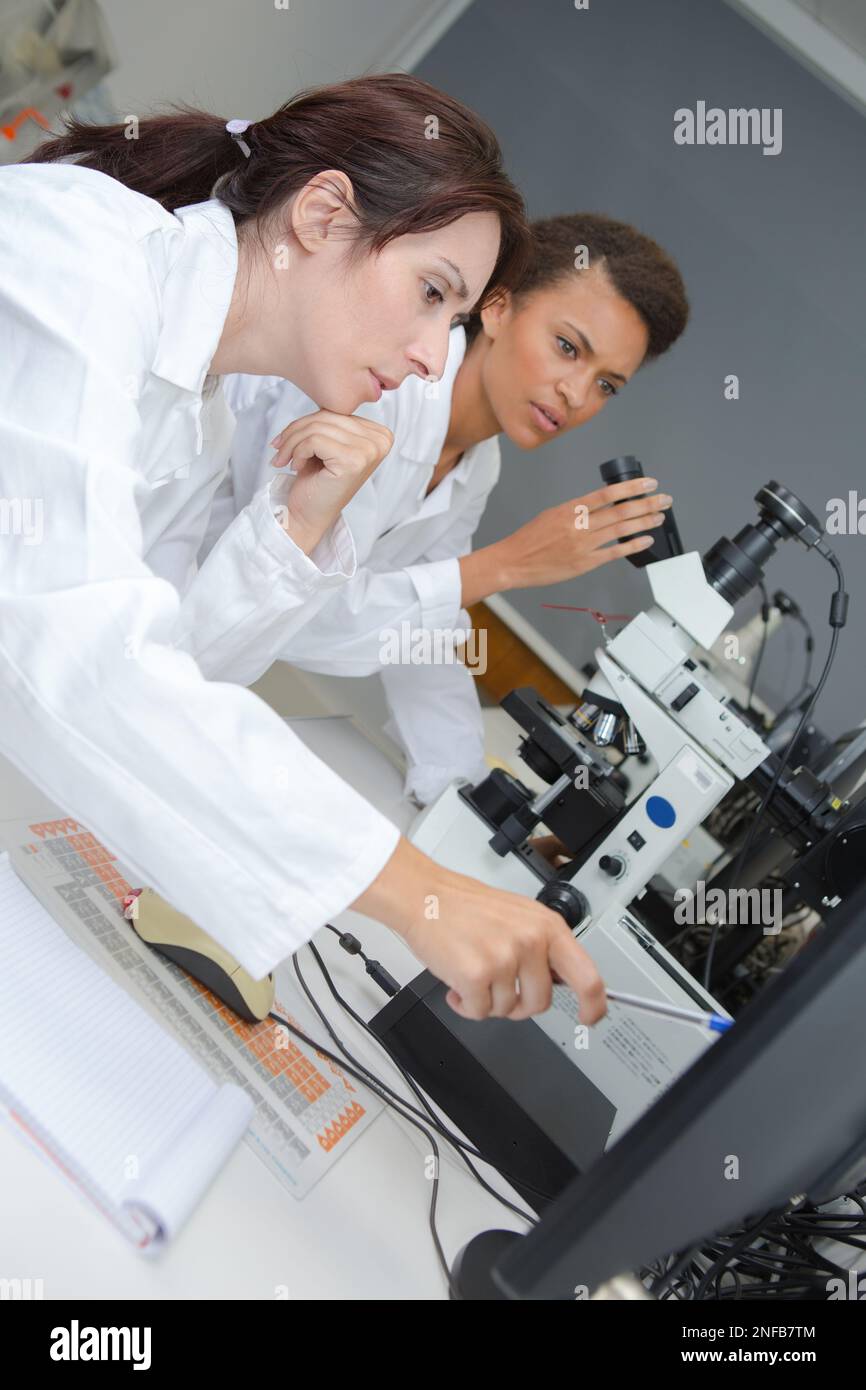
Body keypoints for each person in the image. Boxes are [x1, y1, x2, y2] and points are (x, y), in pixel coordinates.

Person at [0, 73, 607, 1026]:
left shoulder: (193, 410)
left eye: (451, 322)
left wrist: (300, 527)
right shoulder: (82, 263)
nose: (428, 355)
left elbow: (178, 663)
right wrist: (411, 890)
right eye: (429, 294)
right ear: (322, 216)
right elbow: (75, 651)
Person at [207, 212, 689, 804]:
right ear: (499, 306)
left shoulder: (476, 464)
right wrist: (508, 565)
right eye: (567, 347)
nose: (577, 393)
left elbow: (427, 641)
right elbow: (296, 617)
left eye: (607, 385)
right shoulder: (382, 383)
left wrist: (467, 796)